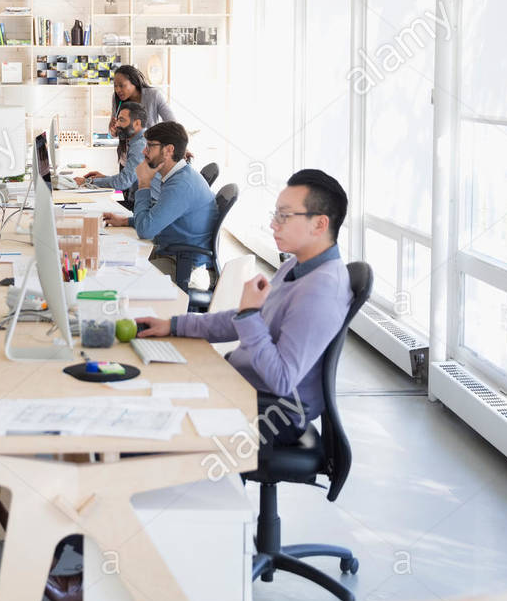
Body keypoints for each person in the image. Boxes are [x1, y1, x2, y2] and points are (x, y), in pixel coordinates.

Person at [137, 169, 353, 439]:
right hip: (241, 384)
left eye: (285, 216)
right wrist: (174, 324)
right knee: (149, 379)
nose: (274, 224)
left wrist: (250, 313)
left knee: (148, 412)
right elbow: (242, 320)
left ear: (320, 224)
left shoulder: (322, 290)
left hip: (267, 413)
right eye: (275, 214)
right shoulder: (297, 265)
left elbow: (281, 380)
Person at [104, 120, 215, 286]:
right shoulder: (177, 176)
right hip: (171, 250)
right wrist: (126, 221)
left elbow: (146, 230)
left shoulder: (181, 185)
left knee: (119, 280)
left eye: (150, 146)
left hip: (182, 265)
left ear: (169, 150)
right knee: (112, 260)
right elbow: (158, 217)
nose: (144, 151)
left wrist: (144, 184)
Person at [75, 100, 146, 200]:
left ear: (137, 123)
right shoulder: (138, 142)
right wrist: (104, 178)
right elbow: (128, 178)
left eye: (121, 120)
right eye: (117, 120)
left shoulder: (139, 146)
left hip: (140, 206)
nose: (116, 125)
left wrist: (88, 182)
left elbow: (123, 182)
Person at [105, 64, 175, 133]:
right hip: (128, 144)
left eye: (121, 85)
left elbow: (172, 124)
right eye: (115, 86)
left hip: (150, 143)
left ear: (134, 82)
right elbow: (114, 132)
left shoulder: (154, 95)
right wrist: (113, 130)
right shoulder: (116, 98)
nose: (117, 90)